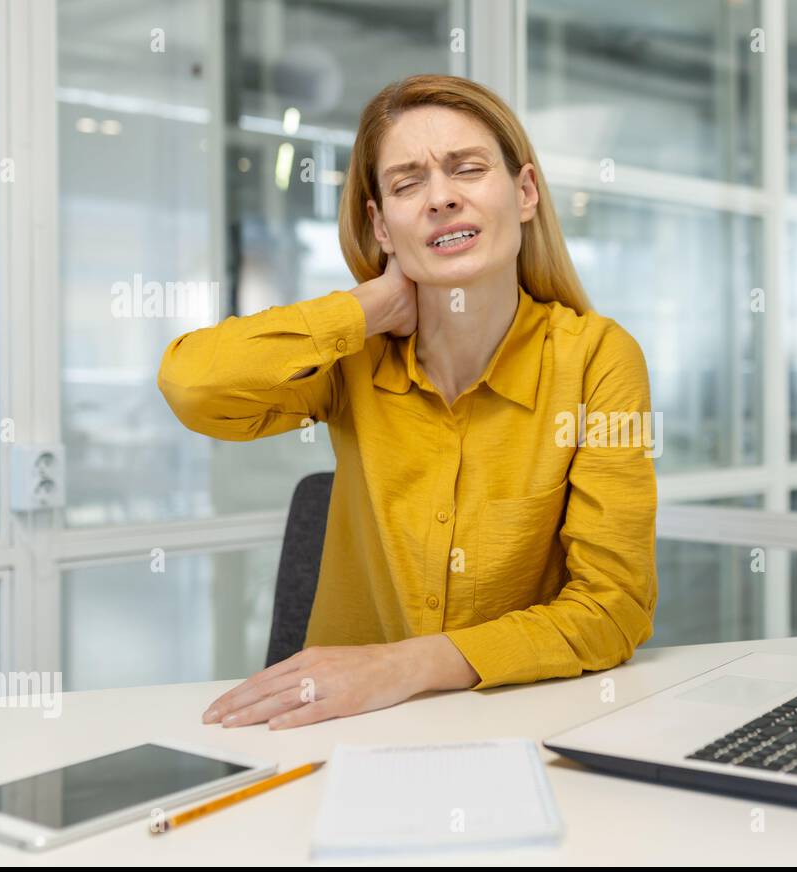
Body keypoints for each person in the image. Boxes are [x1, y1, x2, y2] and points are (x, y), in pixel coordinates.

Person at [156, 74, 658, 730]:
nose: (441, 199)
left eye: (467, 169)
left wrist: (405, 665)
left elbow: (613, 609)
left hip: (524, 721)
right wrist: (365, 308)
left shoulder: (599, 360)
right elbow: (193, 385)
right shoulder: (351, 357)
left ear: (526, 192)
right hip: (350, 733)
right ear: (381, 225)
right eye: (406, 183)